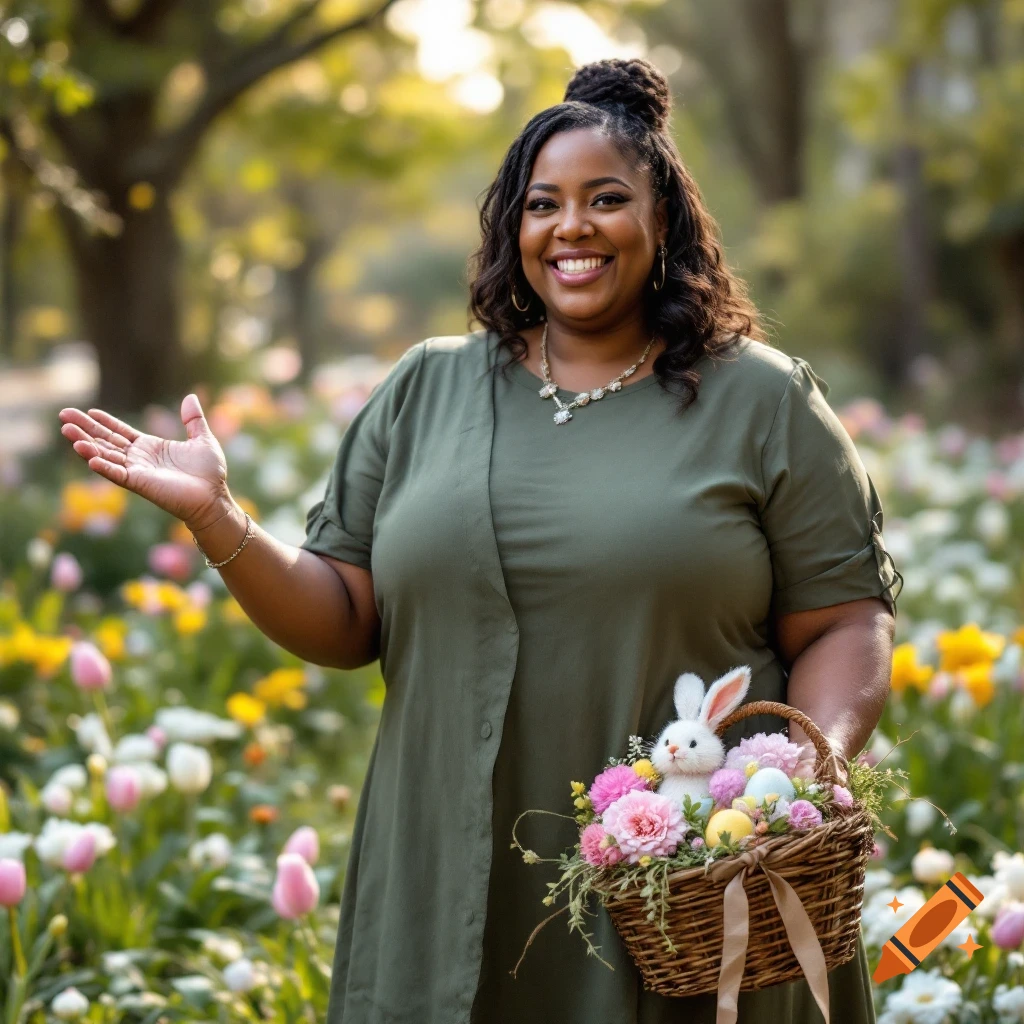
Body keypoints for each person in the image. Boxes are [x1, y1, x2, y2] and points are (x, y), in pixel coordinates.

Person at [57, 56, 901, 1024]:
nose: (570, 226)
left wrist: (799, 774)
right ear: (513, 228)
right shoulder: (425, 389)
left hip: (686, 875)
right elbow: (341, 622)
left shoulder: (760, 398)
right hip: (445, 861)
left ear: (663, 222)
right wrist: (218, 519)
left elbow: (843, 621)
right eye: (542, 204)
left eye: (606, 198)